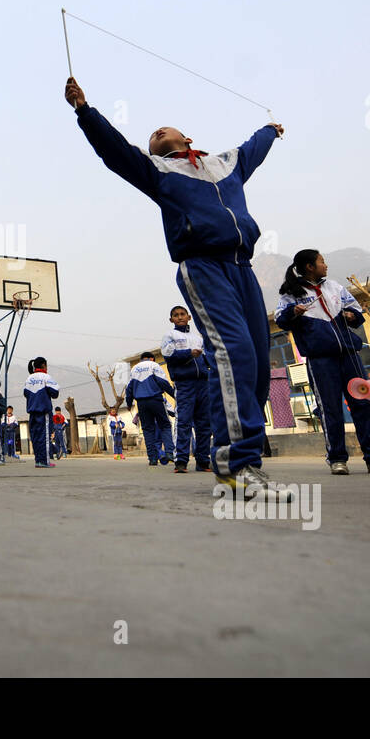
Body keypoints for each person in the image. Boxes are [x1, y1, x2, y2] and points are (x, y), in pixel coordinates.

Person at [65, 77, 292, 501]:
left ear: (187, 138)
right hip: (203, 266)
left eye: (163, 129)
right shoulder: (158, 171)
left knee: (257, 366)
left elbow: (254, 147)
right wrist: (85, 111)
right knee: (232, 351)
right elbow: (114, 151)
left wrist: (271, 131)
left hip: (242, 268)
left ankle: (238, 457)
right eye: (151, 135)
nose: (155, 133)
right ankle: (239, 466)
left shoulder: (225, 163)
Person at [275, 250, 370, 475]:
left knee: (364, 404)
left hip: (350, 355)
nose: (325, 265)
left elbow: (357, 310)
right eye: (322, 261)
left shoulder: (334, 287)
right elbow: (281, 320)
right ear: (310, 266)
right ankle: (337, 459)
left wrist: (351, 315)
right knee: (330, 409)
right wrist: (294, 312)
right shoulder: (291, 294)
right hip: (321, 360)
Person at [161, 305, 215, 473]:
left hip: (203, 384)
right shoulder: (170, 336)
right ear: (171, 320)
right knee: (183, 421)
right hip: (184, 384)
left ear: (189, 317)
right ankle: (181, 461)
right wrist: (188, 354)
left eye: (182, 314)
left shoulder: (198, 337)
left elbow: (207, 358)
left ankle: (203, 461)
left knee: (204, 423)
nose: (179, 317)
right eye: (176, 315)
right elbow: (168, 354)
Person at [125, 352, 176, 467]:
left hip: (141, 404)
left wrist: (128, 403)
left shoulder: (134, 369)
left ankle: (152, 459)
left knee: (148, 430)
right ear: (152, 358)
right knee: (165, 426)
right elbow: (164, 383)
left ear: (141, 359)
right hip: (156, 400)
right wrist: (174, 396)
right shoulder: (154, 366)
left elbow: (129, 389)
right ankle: (169, 452)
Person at [23, 357, 60, 468]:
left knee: (35, 437)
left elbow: (25, 393)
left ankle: (38, 460)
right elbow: (55, 393)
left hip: (32, 412)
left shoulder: (29, 378)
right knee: (45, 437)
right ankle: (45, 461)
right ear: (44, 365)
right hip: (44, 412)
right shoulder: (46, 377)